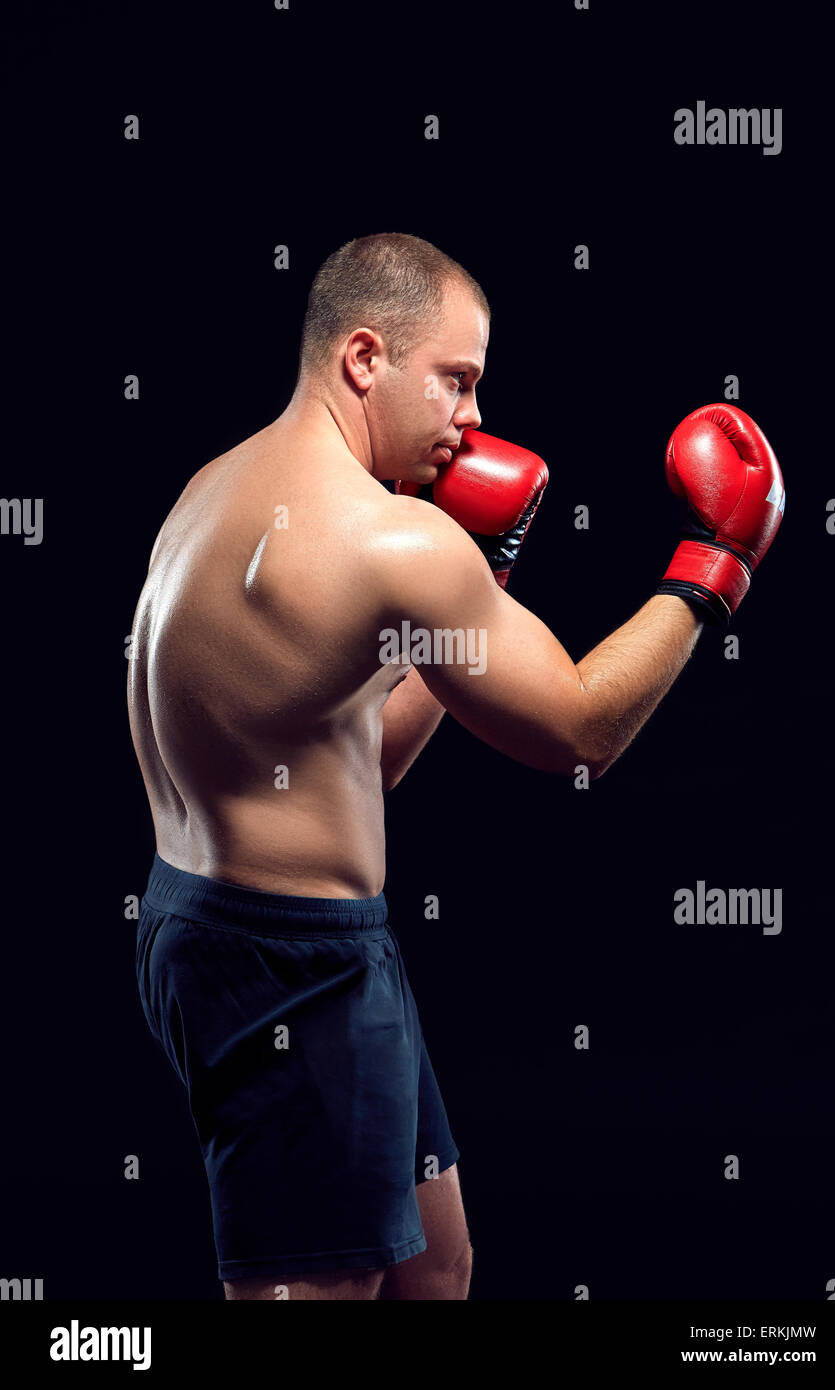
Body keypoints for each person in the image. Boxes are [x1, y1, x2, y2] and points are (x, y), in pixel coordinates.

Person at [128, 232, 783, 1300]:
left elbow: (362, 755)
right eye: (456, 381)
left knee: (436, 1266)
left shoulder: (216, 487)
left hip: (211, 925)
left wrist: (483, 572)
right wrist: (715, 564)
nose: (472, 419)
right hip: (296, 963)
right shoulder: (390, 540)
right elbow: (580, 732)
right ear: (362, 359)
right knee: (320, 1289)